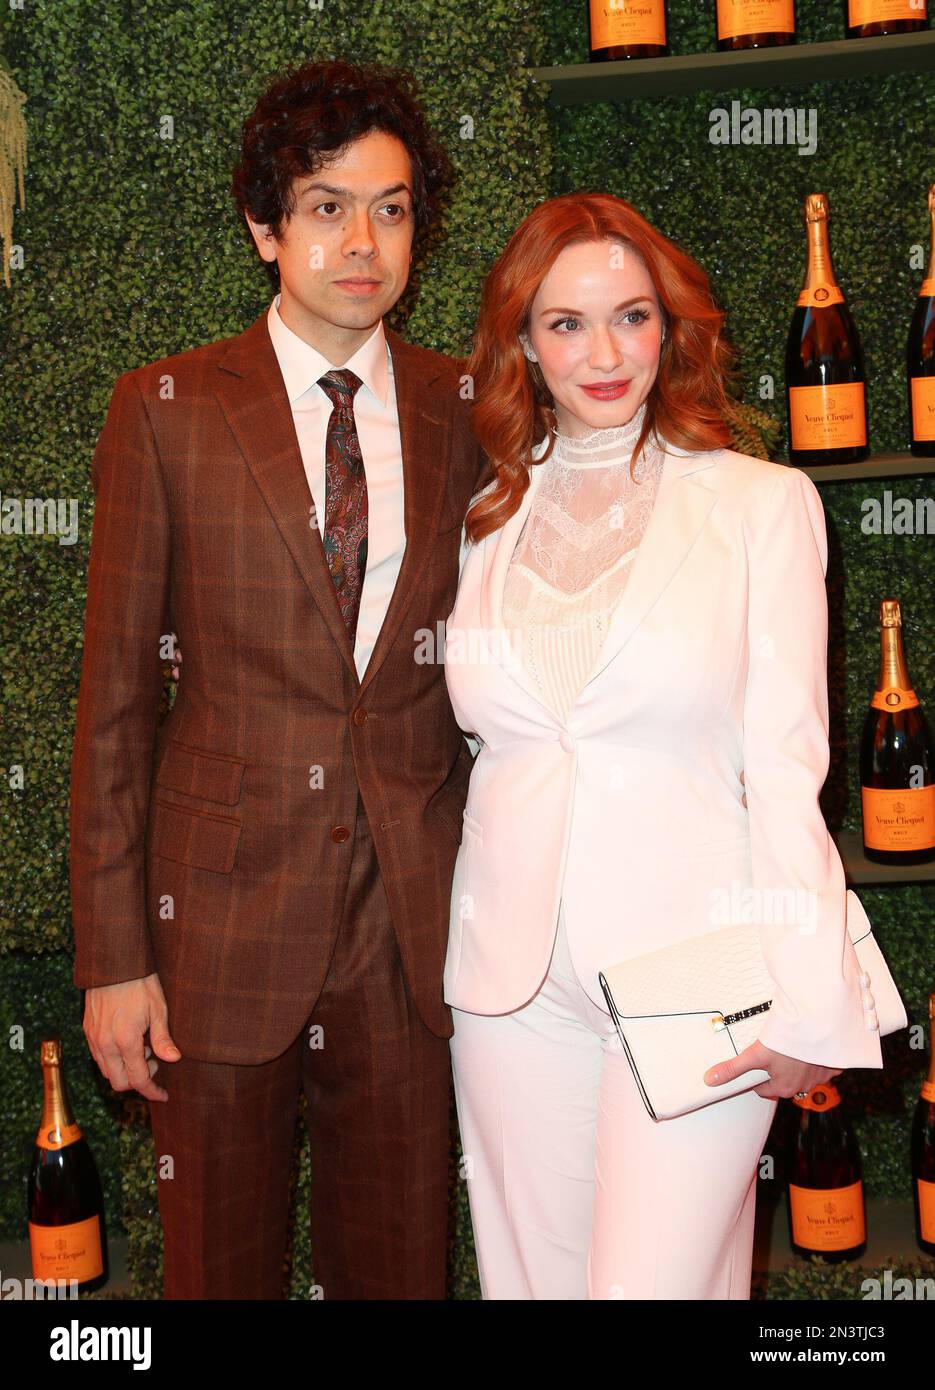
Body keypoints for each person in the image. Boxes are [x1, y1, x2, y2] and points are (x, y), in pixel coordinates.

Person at [70, 58, 488, 1300]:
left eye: (393, 207)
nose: (363, 240)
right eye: (325, 205)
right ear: (265, 228)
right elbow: (112, 708)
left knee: (401, 1268)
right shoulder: (165, 409)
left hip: (413, 930)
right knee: (216, 1273)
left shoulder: (469, 406)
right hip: (215, 934)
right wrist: (111, 956)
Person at [442, 192, 884, 1300]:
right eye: (565, 324)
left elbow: (787, 768)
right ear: (520, 345)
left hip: (700, 973)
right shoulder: (487, 520)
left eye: (630, 317)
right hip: (510, 981)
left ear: (669, 327)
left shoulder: (758, 505)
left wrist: (809, 994)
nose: (603, 353)